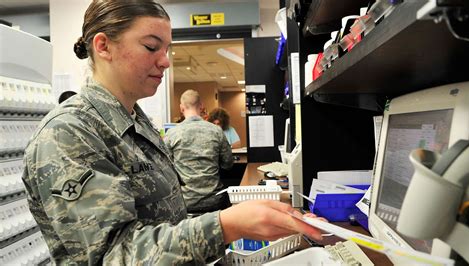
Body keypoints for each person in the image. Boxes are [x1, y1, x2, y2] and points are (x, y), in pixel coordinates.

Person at [21, 1, 323, 264]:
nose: (165, 60)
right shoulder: (69, 133)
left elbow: (165, 220)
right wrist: (225, 225)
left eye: (167, 49)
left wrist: (243, 218)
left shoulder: (137, 122)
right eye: (152, 47)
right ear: (103, 46)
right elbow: (113, 256)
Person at [164, 90, 233, 213]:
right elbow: (228, 164)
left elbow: (166, 169)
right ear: (201, 106)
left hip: (185, 202)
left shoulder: (172, 134)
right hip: (214, 200)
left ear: (181, 108)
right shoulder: (216, 131)